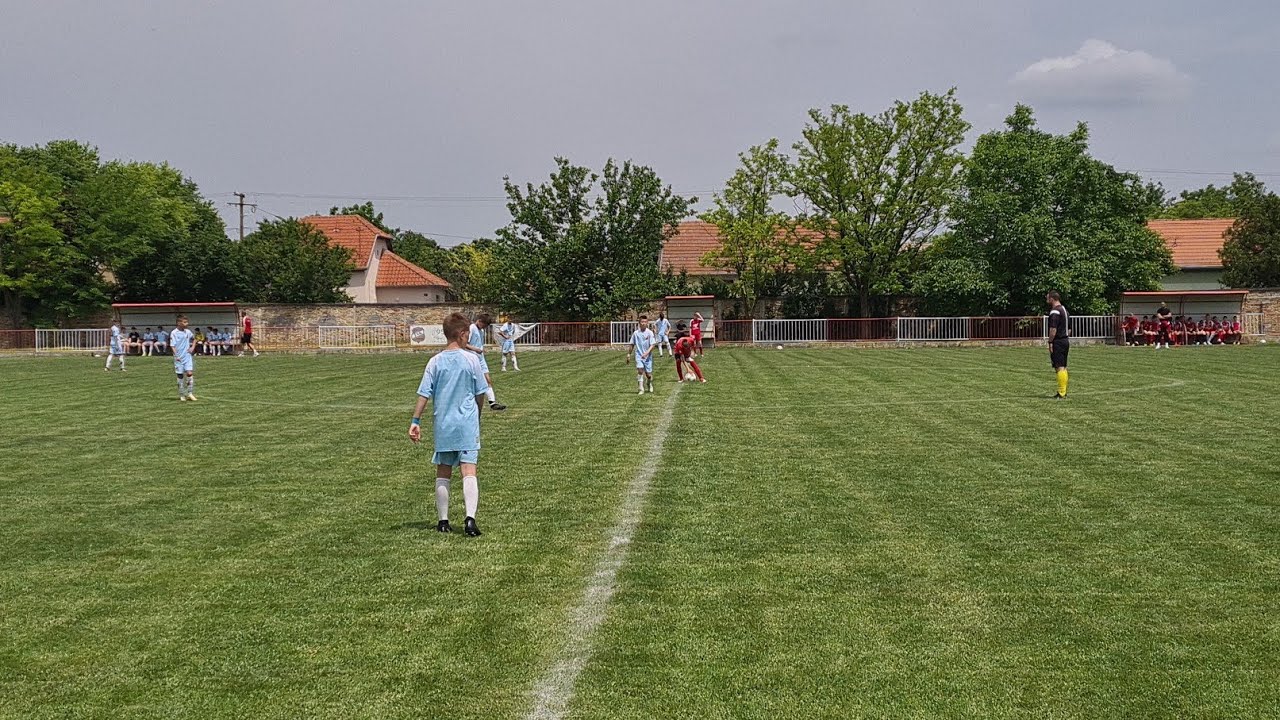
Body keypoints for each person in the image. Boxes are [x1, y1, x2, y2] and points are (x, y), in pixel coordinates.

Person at [409, 312, 490, 537]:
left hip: (443, 424)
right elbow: (480, 392)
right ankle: (470, 519)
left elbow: (424, 394)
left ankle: (443, 521)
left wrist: (415, 421)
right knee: (468, 470)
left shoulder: (434, 362)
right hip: (466, 423)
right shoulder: (471, 360)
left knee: (443, 472)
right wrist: (477, 414)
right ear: (463, 335)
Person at [465, 313, 507, 411]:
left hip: (480, 358)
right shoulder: (471, 328)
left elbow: (479, 344)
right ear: (479, 321)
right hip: (472, 359)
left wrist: (481, 349)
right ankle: (469, 402)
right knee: (473, 382)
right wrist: (475, 349)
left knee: (487, 379)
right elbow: (465, 344)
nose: (484, 327)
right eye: (483, 325)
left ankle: (493, 403)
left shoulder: (481, 330)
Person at [1046, 291, 1070, 399]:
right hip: (1065, 340)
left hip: (1058, 341)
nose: (1046, 299)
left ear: (1052, 299)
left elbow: (1053, 329)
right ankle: (1063, 391)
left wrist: (1050, 341)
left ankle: (1061, 393)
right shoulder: (1064, 310)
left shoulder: (1055, 311)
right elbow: (1069, 329)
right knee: (1063, 366)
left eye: (1048, 298)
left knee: (1059, 367)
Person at [170, 315, 197, 401]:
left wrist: (192, 347)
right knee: (180, 375)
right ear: (179, 323)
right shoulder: (174, 333)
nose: (187, 324)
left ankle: (190, 393)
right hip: (179, 357)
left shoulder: (188, 332)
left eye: (187, 322)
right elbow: (172, 345)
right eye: (185, 322)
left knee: (189, 373)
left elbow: (194, 339)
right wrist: (176, 356)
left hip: (187, 356)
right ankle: (182, 394)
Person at [629, 315, 657, 394]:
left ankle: (649, 383)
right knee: (640, 370)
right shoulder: (636, 333)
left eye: (645, 322)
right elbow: (632, 344)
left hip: (648, 357)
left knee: (648, 375)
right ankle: (641, 389)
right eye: (642, 322)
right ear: (639, 323)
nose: (643, 323)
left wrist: (647, 353)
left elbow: (653, 344)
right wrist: (628, 354)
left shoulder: (650, 333)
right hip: (639, 355)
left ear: (647, 323)